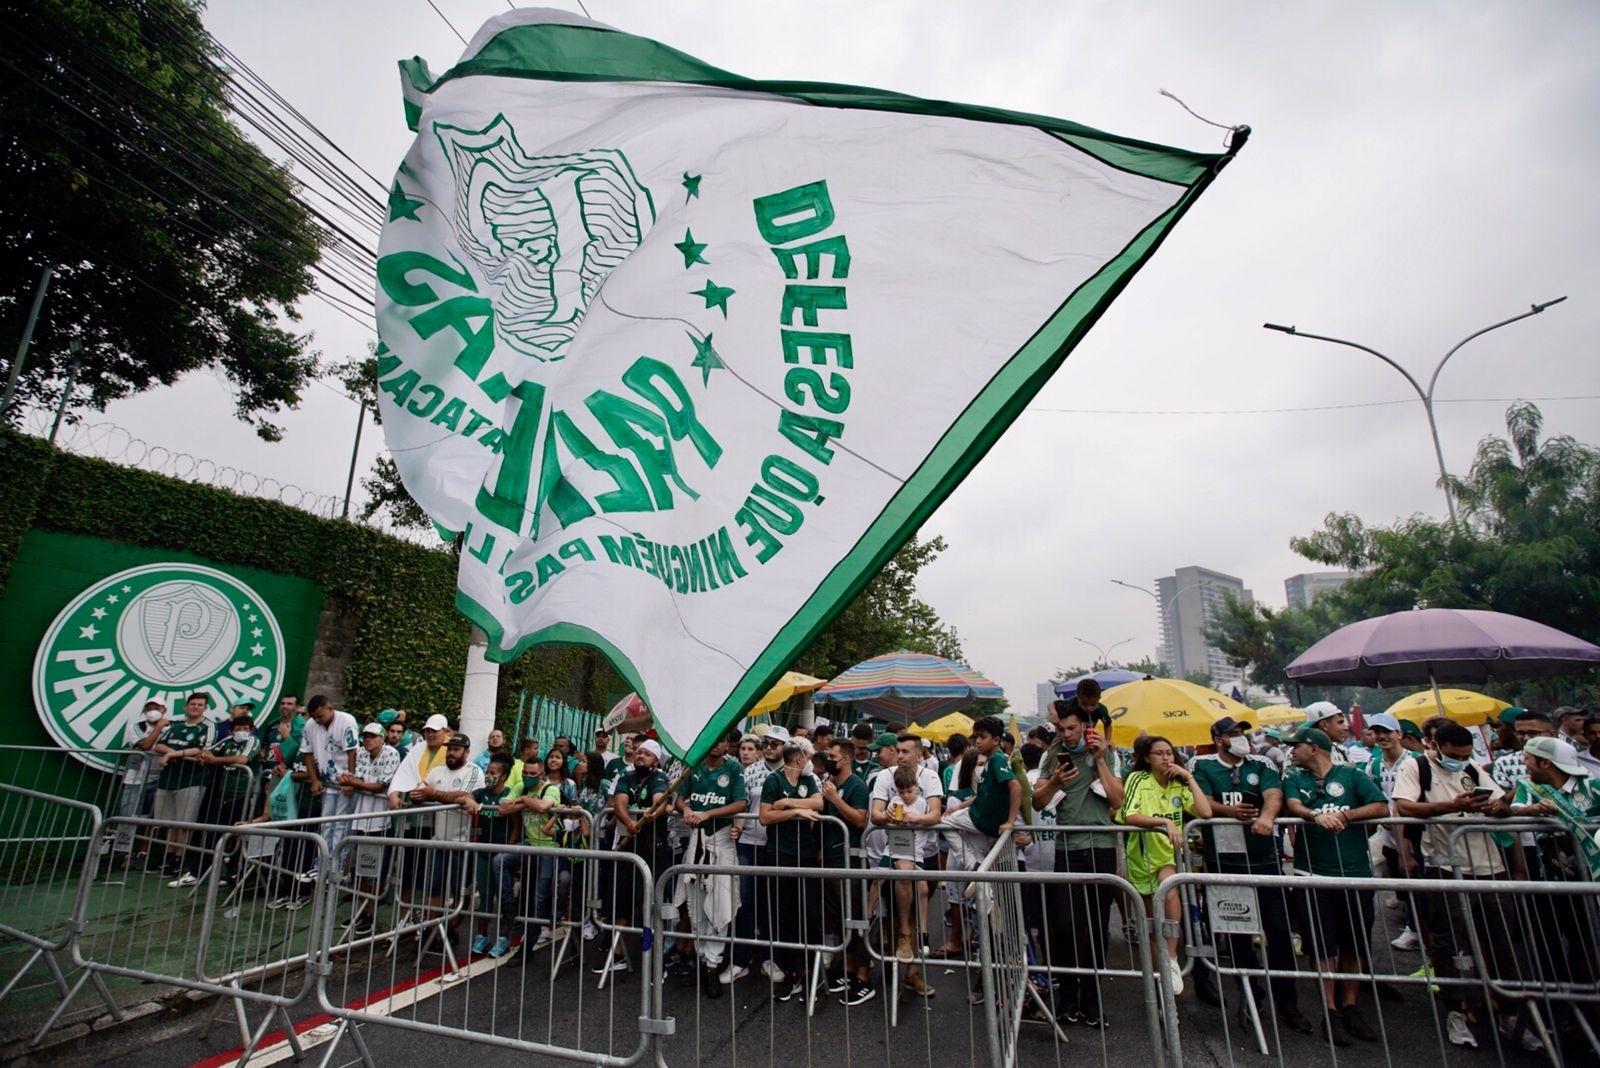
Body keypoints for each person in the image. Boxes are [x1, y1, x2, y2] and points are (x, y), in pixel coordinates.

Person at [1393, 720, 1514, 1049]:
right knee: (1449, 942)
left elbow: (1503, 800)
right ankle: (1455, 1011)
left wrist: (1496, 807)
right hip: (1446, 866)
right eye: (1452, 754)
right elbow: (1403, 806)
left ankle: (1509, 1012)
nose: (1459, 759)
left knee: (1501, 942)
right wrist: (1451, 806)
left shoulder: (1473, 768)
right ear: (1435, 746)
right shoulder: (1417, 767)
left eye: (1464, 754)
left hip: (1490, 868)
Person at [1190, 716, 1310, 1033]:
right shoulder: (1202, 765)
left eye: (1242, 732)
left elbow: (1273, 795)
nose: (1241, 737)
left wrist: (1267, 817)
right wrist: (1231, 812)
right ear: (1218, 739)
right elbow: (1201, 803)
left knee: (1279, 934)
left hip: (1264, 860)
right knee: (1239, 937)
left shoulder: (1261, 764)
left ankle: (1289, 1005)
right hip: (1225, 864)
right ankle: (1250, 1000)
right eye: (1233, 733)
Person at [1282, 727, 1389, 1047]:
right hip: (1311, 874)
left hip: (1354, 873)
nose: (1291, 751)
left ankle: (1351, 1006)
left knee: (1354, 942)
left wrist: (1346, 814)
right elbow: (1292, 805)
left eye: (1296, 746)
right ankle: (1329, 1008)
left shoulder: (1352, 775)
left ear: (1313, 748)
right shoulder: (1295, 778)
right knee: (1321, 946)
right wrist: (1315, 815)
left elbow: (1380, 806)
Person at [1032, 690, 1124, 1028]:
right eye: (1061, 730)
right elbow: (1038, 802)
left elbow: (1117, 801)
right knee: (1066, 925)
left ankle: (1093, 998)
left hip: (1101, 846)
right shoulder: (1052, 755)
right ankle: (1068, 994)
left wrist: (1099, 760)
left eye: (1072, 729)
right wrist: (1056, 779)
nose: (1066, 735)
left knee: (1097, 926)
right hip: (1067, 848)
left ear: (1085, 726)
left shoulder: (1106, 753)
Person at [1115, 734, 1212, 996]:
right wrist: (1164, 823)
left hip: (1168, 856)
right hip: (1141, 856)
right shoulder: (1138, 779)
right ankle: (1163, 983)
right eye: (1159, 753)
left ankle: (1170, 958)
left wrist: (1189, 778)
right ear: (1147, 757)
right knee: (1151, 923)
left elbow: (1205, 812)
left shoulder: (1179, 783)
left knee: (1169, 890)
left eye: (1169, 752)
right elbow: (1128, 814)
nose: (1166, 757)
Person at [674, 728, 746, 996]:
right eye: (714, 739)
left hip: (721, 841)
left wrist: (708, 814)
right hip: (697, 842)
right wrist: (687, 809)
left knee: (719, 904)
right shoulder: (694, 767)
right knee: (694, 905)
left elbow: (740, 803)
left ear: (728, 744)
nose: (717, 744)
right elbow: (680, 797)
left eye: (723, 740)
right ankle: (700, 961)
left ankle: (713, 967)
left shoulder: (734, 768)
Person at [601, 738, 672, 976]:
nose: (641, 755)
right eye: (639, 752)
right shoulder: (626, 777)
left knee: (650, 904)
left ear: (655, 760)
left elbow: (659, 800)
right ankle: (618, 953)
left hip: (653, 848)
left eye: (647, 754)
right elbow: (620, 802)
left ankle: (655, 958)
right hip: (626, 846)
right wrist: (630, 821)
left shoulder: (660, 778)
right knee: (618, 899)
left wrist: (654, 813)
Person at [413, 733, 484, 973]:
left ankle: (451, 929)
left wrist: (433, 795)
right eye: (449, 748)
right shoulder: (437, 771)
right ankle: (433, 930)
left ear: (466, 751)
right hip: (438, 841)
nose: (451, 752)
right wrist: (423, 793)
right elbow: (421, 789)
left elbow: (466, 796)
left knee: (459, 892)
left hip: (461, 843)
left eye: (456, 749)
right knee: (434, 888)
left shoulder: (474, 771)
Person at [759, 741, 824, 1002]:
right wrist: (796, 810)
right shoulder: (773, 780)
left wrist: (786, 802)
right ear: (798, 758)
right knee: (783, 912)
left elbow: (818, 803)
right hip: (779, 853)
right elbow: (765, 816)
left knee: (808, 913)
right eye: (806, 756)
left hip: (806, 855)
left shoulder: (809, 779)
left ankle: (808, 972)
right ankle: (788, 972)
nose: (809, 760)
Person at [1362, 713, 1427, 955]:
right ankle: (1414, 925)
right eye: (1377, 732)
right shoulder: (1374, 765)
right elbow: (1372, 796)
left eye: (1387, 732)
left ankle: (1418, 929)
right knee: (1404, 884)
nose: (1382, 737)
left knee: (1418, 883)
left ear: (1399, 734)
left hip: (1417, 836)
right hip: (1389, 836)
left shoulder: (1418, 761)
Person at [820, 737, 874, 1005]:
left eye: (833, 755)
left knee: (855, 917)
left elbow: (860, 819)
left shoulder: (856, 785)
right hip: (829, 858)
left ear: (846, 759)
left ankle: (863, 977)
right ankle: (850, 970)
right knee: (840, 916)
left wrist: (834, 800)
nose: (829, 759)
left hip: (849, 860)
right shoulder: (830, 784)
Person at [876, 766, 936, 998]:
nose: (900, 754)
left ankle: (913, 969)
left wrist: (918, 818)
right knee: (893, 914)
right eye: (898, 750)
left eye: (905, 750)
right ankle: (894, 977)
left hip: (920, 854)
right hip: (892, 854)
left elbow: (936, 814)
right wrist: (888, 816)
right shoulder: (882, 777)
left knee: (917, 900)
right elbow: (875, 814)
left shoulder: (930, 777)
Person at [505, 750, 568, 953]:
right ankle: (508, 906)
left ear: (542, 775)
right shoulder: (521, 786)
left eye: (532, 774)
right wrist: (523, 799)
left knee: (541, 893)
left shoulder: (551, 789)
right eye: (525, 773)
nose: (527, 777)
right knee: (500, 860)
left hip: (551, 848)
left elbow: (542, 807)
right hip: (530, 844)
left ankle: (538, 930)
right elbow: (502, 808)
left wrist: (523, 801)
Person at [942, 716, 1021, 873]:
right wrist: (959, 806)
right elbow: (983, 794)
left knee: (944, 821)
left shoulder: (997, 759)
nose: (977, 741)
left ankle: (973, 864)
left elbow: (1016, 788)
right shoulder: (992, 760)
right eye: (976, 736)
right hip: (979, 815)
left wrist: (1010, 822)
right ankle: (977, 867)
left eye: (982, 737)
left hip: (982, 820)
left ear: (996, 740)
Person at [153, 692, 217, 885]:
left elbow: (203, 749)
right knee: (169, 821)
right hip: (169, 779)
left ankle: (179, 859)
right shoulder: (176, 725)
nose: (195, 707)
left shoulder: (208, 726)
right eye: (193, 704)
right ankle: (168, 855)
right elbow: (159, 745)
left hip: (191, 780)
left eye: (200, 704)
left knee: (184, 822)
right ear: (186, 706)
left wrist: (174, 754)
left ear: (205, 708)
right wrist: (172, 753)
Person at [344, 721, 401, 933]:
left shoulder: (391, 754)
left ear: (382, 738)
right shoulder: (360, 752)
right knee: (358, 870)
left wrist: (355, 784)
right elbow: (356, 778)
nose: (368, 739)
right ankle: (361, 912)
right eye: (365, 736)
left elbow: (380, 785)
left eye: (372, 736)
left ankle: (370, 915)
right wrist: (356, 782)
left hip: (380, 822)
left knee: (374, 871)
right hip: (359, 819)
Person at [195, 707, 261, 883]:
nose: (242, 732)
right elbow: (207, 752)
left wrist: (214, 761)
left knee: (239, 835)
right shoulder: (227, 741)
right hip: (223, 795)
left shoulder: (252, 741)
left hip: (243, 797)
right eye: (238, 729)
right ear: (232, 731)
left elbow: (243, 760)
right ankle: (204, 871)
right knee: (213, 834)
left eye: (246, 729)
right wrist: (205, 757)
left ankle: (234, 872)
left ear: (251, 730)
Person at [724, 732, 770, 985]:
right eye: (743, 748)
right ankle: (739, 960)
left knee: (767, 902)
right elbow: (740, 805)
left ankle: (766, 957)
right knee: (743, 901)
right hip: (745, 845)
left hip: (771, 846)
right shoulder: (744, 774)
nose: (745, 752)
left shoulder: (781, 772)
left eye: (751, 748)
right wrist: (738, 827)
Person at [300, 696, 360, 881]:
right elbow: (307, 753)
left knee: (341, 826)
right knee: (326, 824)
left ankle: (337, 867)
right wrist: (314, 779)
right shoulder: (310, 724)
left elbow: (352, 751)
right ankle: (321, 865)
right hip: (327, 781)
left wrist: (351, 779)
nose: (318, 720)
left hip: (343, 781)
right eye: (315, 717)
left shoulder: (346, 721)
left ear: (330, 708)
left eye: (320, 716)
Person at [467, 753, 519, 957]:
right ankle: (482, 936)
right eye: (487, 772)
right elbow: (469, 796)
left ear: (504, 776)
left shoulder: (509, 796)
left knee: (504, 896)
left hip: (502, 856)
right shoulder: (482, 794)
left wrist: (508, 848)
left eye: (493, 773)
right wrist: (469, 800)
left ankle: (504, 937)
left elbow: (516, 826)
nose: (489, 776)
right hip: (483, 851)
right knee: (485, 896)